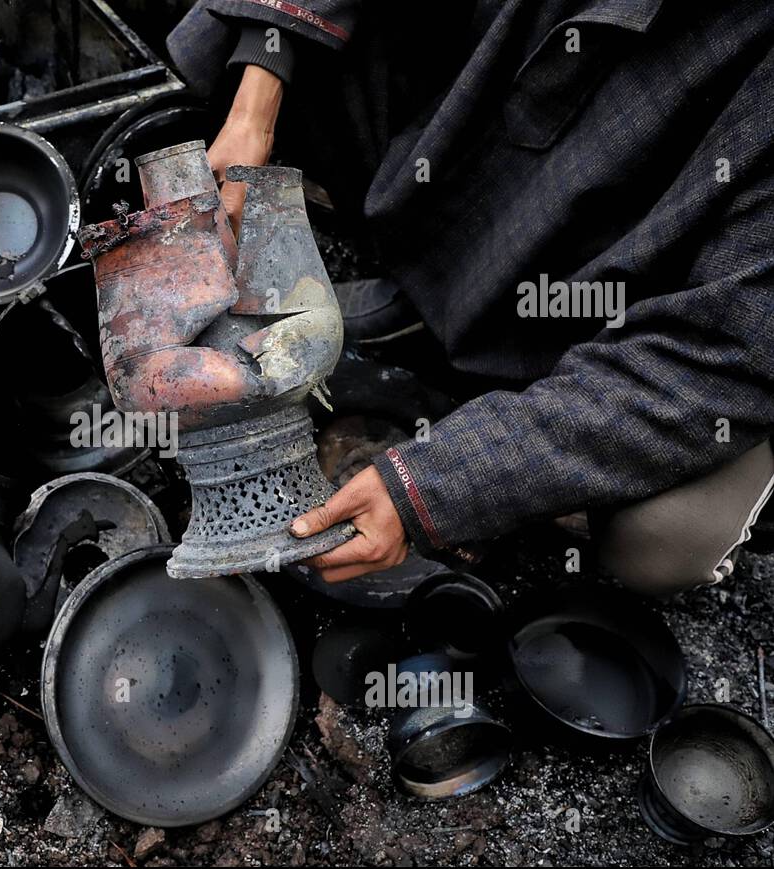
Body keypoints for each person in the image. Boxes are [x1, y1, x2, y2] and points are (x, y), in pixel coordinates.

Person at [167, 0, 774, 596]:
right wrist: (255, 111)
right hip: (519, 156)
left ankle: (519, 369)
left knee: (664, 538)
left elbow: (719, 360)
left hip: (677, 308)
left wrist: (434, 488)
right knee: (279, 33)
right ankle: (439, 300)